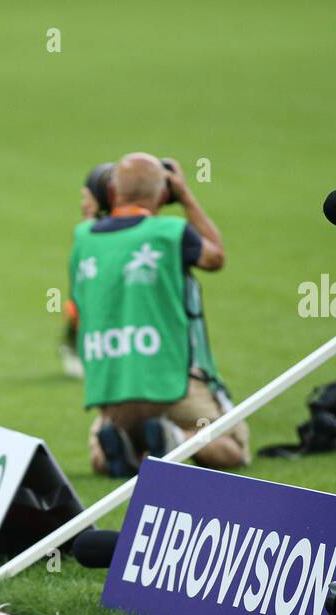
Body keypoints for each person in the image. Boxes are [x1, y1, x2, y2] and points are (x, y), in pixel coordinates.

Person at [70, 152, 248, 478]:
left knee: (104, 446)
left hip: (112, 389)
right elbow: (215, 257)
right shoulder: (171, 232)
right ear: (164, 193)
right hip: (171, 386)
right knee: (232, 443)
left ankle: (118, 446)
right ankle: (176, 438)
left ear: (112, 193)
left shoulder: (83, 238)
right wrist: (186, 197)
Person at [60, 163, 115, 379]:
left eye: (87, 198)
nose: (83, 205)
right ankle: (74, 346)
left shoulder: (90, 235)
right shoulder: (85, 234)